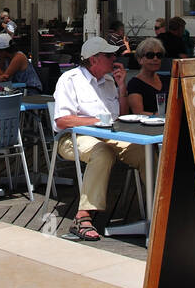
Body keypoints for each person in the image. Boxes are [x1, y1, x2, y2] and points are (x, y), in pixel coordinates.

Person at [53, 36, 144, 241]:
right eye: (109, 55)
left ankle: (161, 208)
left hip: (109, 135)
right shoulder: (70, 80)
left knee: (143, 151)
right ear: (94, 59)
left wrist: (122, 88)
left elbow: (119, 116)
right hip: (73, 137)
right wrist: (95, 121)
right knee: (102, 153)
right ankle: (83, 216)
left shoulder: (110, 81)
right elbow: (62, 120)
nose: (115, 59)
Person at [125, 37, 166, 114]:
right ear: (140, 59)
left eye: (159, 55)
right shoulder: (134, 84)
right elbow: (138, 113)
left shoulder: (167, 80)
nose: (155, 59)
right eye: (150, 55)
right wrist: (160, 116)